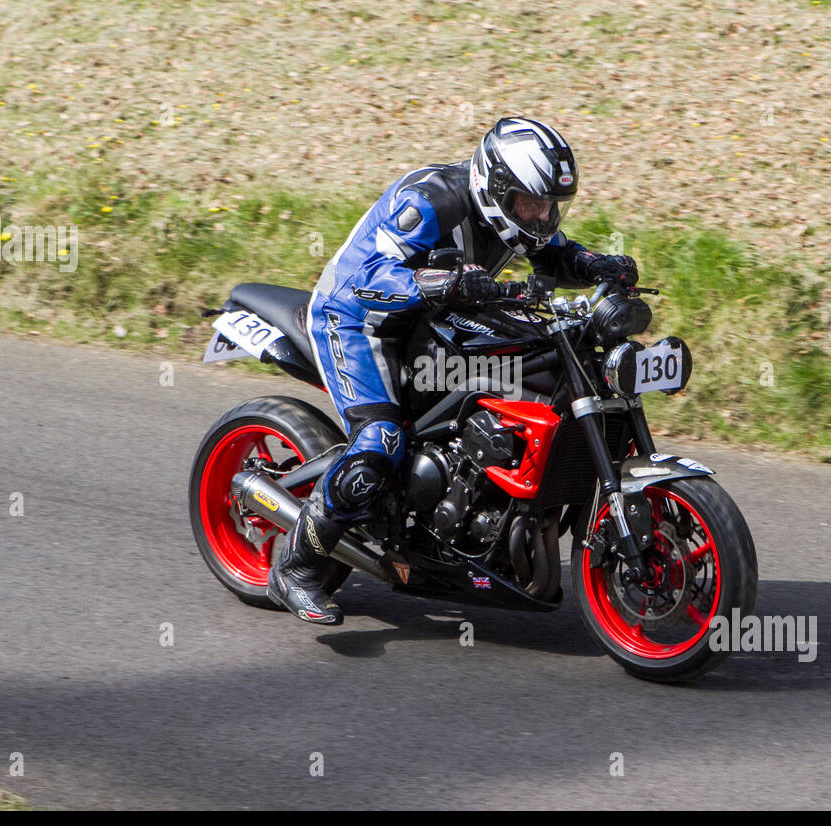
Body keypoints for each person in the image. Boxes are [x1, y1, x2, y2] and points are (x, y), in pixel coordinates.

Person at [267, 117, 638, 625]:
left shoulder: (517, 214)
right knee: (382, 439)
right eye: (532, 203)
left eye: (550, 205)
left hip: (434, 319)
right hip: (356, 321)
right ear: (496, 187)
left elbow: (555, 251)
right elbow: (367, 278)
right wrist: (441, 281)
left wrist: (599, 265)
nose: (541, 215)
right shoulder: (432, 202)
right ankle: (295, 567)